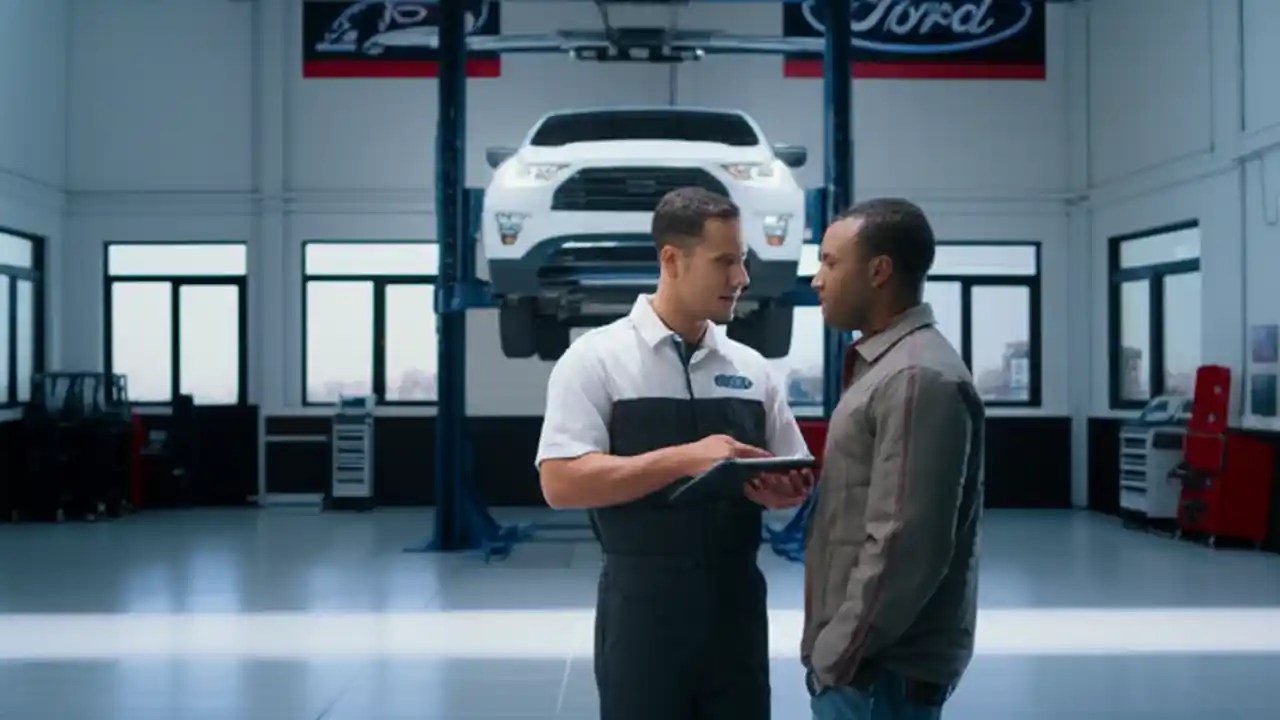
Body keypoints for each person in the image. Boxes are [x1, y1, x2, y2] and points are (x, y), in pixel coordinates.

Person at [534, 186, 815, 720]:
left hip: (737, 606)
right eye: (725, 262)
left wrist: (785, 495)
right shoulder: (596, 359)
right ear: (672, 260)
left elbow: (793, 472)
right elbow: (561, 483)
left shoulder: (753, 369)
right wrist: (687, 458)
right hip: (641, 607)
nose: (742, 279)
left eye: (743, 261)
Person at [801, 198, 986, 720]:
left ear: (879, 271)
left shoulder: (915, 378)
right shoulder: (884, 368)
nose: (817, 279)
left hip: (879, 673)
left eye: (831, 262)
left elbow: (906, 543)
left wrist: (836, 654)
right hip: (869, 669)